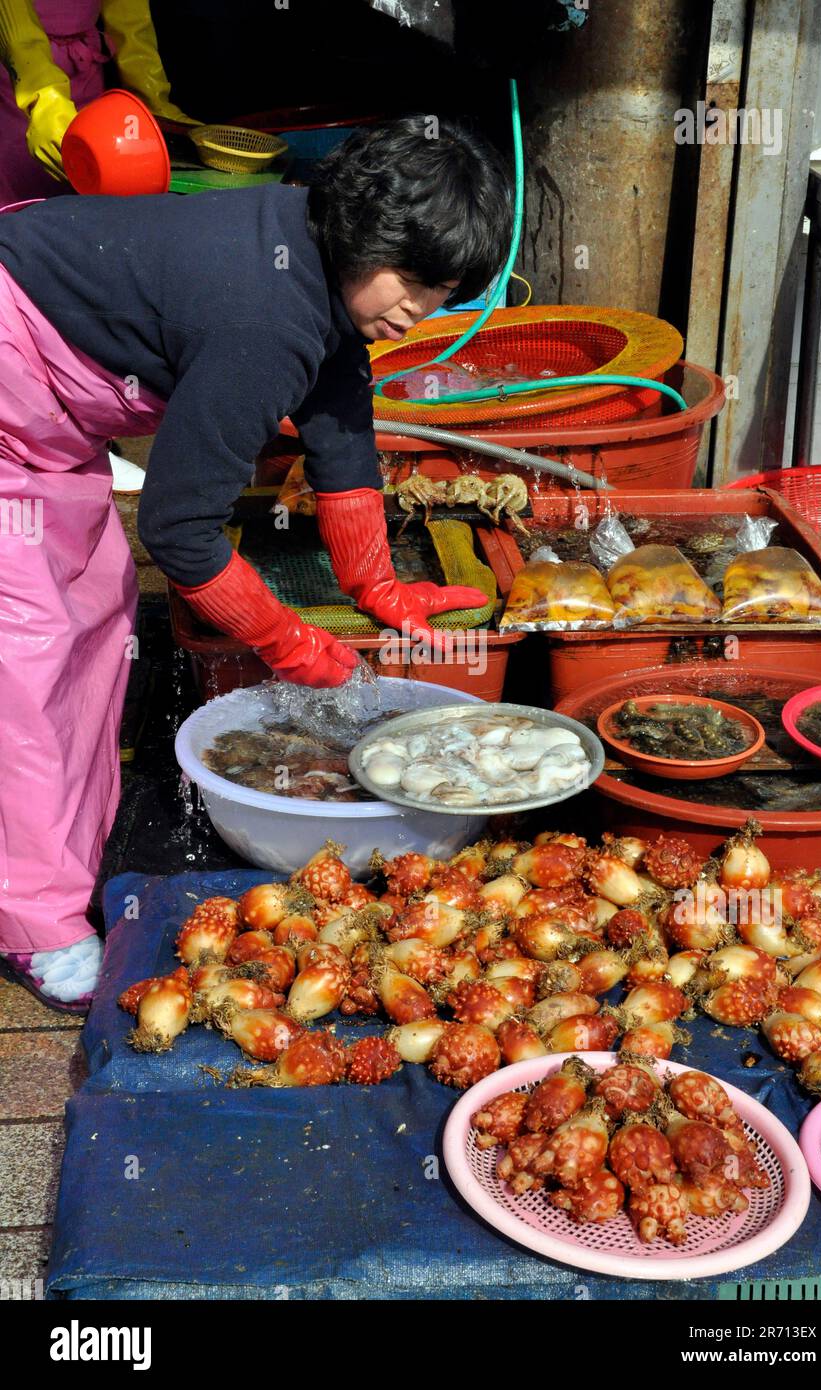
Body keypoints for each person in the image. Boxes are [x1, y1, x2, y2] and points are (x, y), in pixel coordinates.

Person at [0, 115, 513, 1011]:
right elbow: (180, 528)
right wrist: (290, 643)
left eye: (442, 292)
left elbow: (342, 430)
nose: (419, 310)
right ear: (364, 228)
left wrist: (378, 586)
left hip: (49, 415)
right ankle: (36, 928)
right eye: (414, 279)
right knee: (30, 647)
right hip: (13, 368)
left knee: (98, 611)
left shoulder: (311, 252)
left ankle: (55, 864)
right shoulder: (264, 312)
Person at [0, 0, 196, 204]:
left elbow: (130, 21)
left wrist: (152, 99)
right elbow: (17, 33)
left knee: (90, 187)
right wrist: (43, 101)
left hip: (88, 70)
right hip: (16, 77)